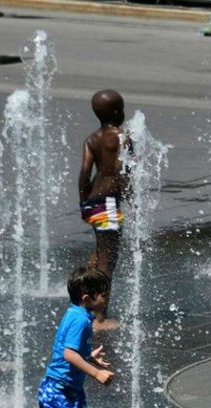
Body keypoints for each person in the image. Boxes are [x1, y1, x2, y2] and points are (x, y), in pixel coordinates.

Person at [2, 267, 114, 408]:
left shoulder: (80, 315)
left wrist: (90, 355)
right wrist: (96, 373)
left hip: (71, 389)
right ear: (87, 298)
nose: (106, 297)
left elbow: (74, 350)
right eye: (103, 293)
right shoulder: (79, 320)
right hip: (57, 388)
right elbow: (68, 355)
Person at [78, 89, 129, 330]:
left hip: (93, 200)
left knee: (99, 253)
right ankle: (99, 316)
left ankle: (84, 299)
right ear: (118, 112)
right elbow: (127, 173)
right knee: (108, 260)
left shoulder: (92, 138)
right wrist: (132, 198)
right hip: (109, 203)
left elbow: (85, 173)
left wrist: (83, 203)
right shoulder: (122, 137)